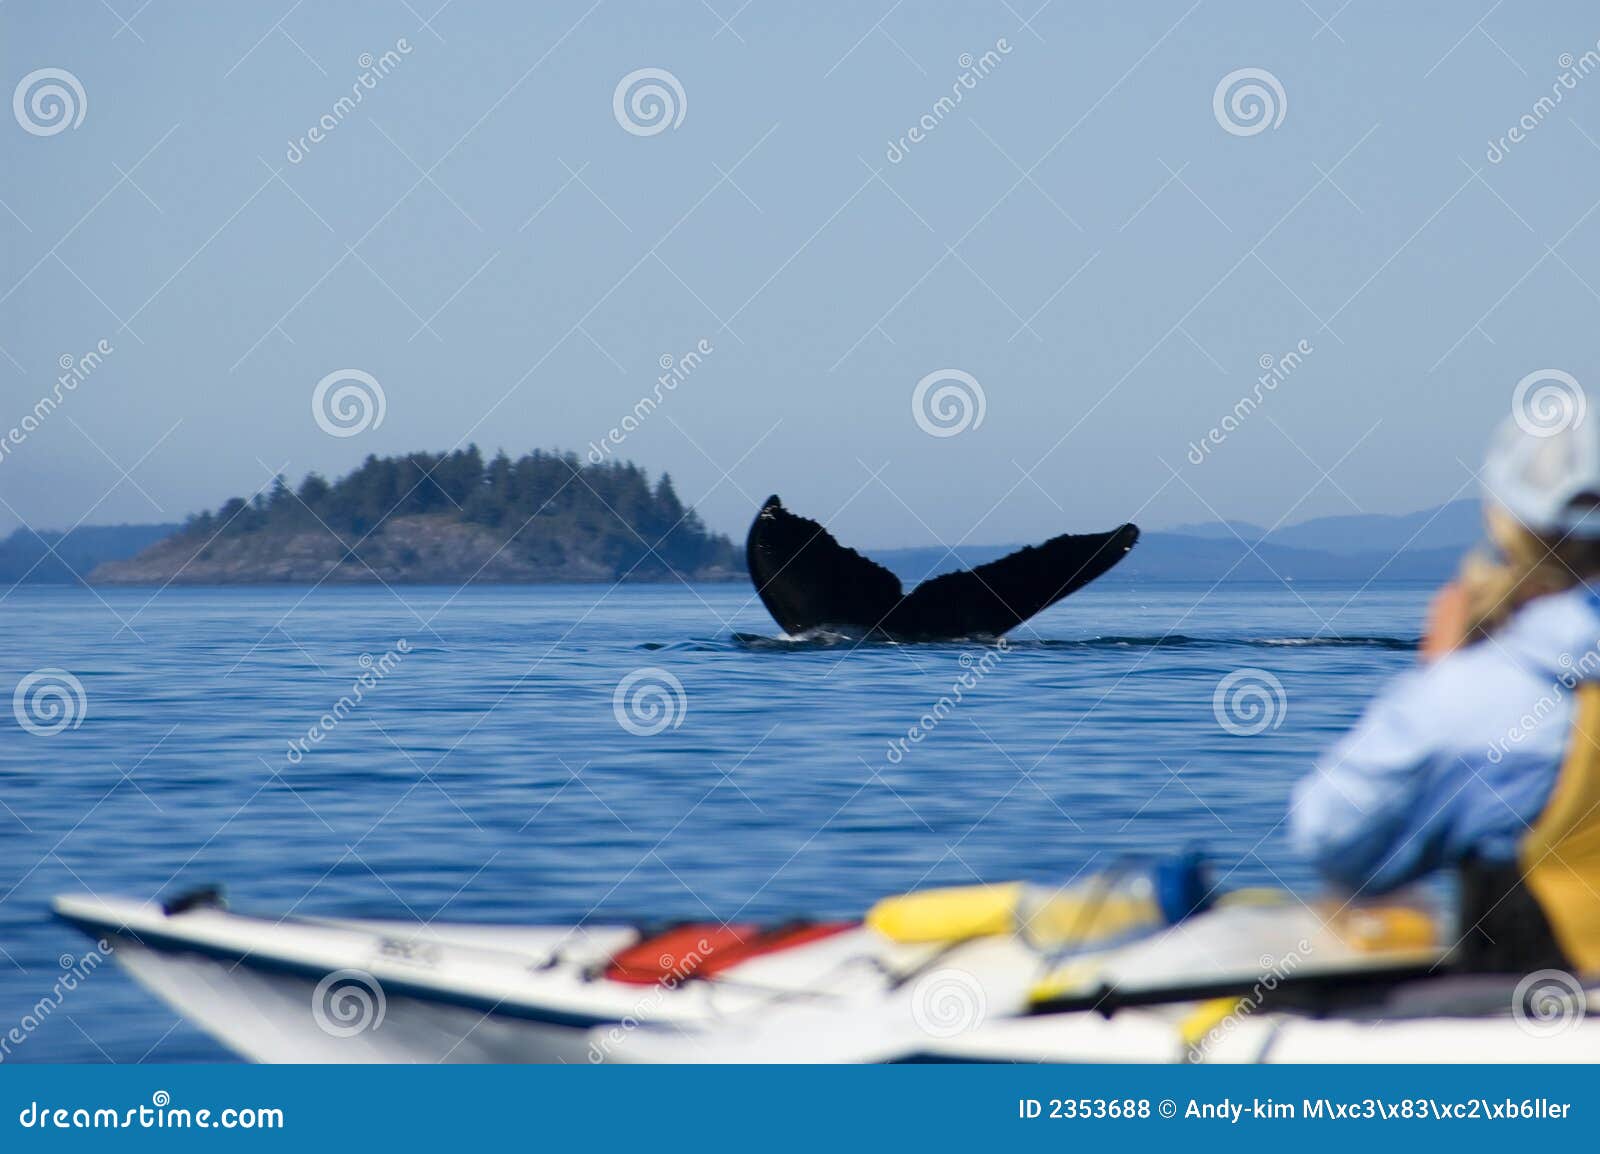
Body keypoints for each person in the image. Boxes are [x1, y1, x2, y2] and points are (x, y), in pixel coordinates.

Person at [1292, 398, 1600, 975]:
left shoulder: (1481, 696)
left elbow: (1334, 842)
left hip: (1545, 1007)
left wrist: (1438, 680)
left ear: (1504, 523)